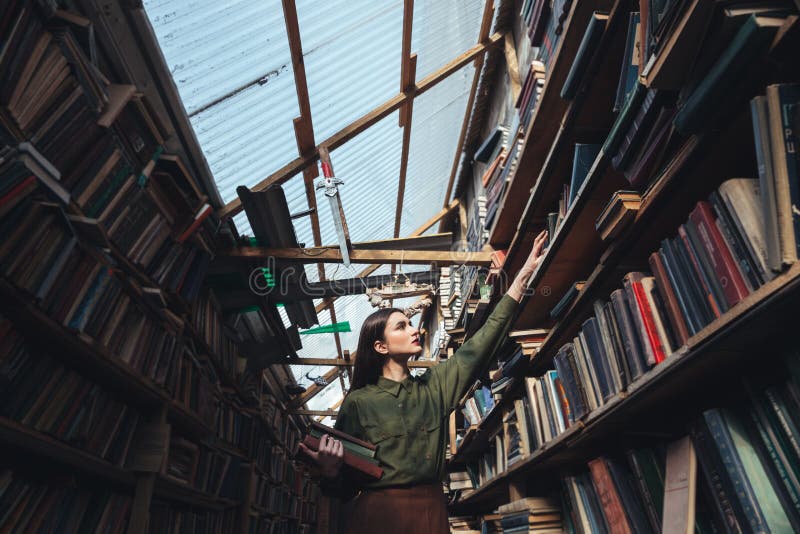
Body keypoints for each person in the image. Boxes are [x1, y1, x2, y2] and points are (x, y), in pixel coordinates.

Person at [298, 230, 549, 534]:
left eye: (411, 323)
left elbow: (480, 345)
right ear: (381, 347)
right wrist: (329, 470)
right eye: (401, 326)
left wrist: (522, 278)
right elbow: (344, 490)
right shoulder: (359, 403)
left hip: (431, 514)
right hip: (377, 518)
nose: (413, 329)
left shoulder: (435, 387)